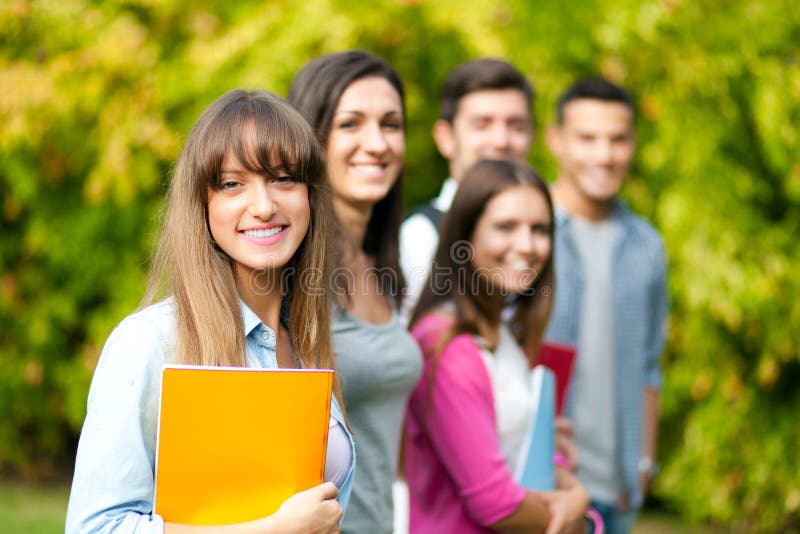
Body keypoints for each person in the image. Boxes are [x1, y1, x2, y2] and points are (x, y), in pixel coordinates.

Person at [66, 89, 356, 534]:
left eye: (283, 179)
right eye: (232, 184)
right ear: (202, 204)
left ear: (310, 197)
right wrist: (273, 530)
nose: (264, 206)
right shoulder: (149, 342)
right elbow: (96, 528)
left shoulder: (305, 339)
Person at [404, 158, 590, 534]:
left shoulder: (498, 330)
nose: (527, 245)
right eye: (506, 227)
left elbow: (526, 447)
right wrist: (579, 516)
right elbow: (497, 504)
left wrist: (573, 491)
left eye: (539, 229)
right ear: (464, 237)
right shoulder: (447, 346)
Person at [287, 51, 423, 534]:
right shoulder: (287, 273)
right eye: (351, 124)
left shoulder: (383, 268)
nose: (377, 143)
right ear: (310, 137)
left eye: (391, 124)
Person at [544, 77, 669, 533]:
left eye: (618, 139)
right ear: (556, 140)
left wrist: (645, 461)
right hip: (548, 485)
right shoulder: (525, 235)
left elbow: (650, 364)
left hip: (621, 487)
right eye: (587, 138)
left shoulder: (646, 245)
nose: (604, 155)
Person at [399, 58, 535, 321]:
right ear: (446, 138)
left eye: (516, 126)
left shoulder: (542, 237)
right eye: (482, 125)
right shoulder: (419, 238)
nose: (501, 141)